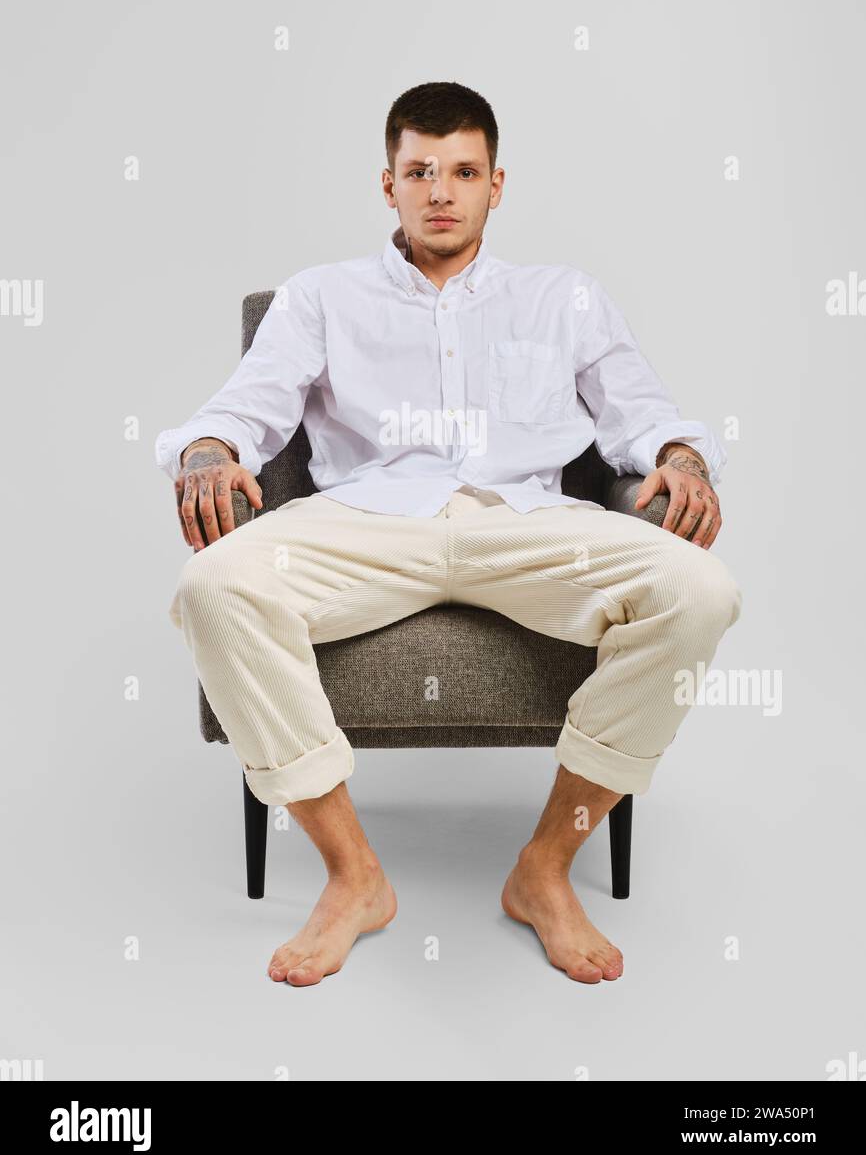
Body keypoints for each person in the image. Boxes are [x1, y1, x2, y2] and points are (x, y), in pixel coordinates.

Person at [155, 81, 742, 987]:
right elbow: (242, 412)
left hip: (529, 522)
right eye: (419, 171)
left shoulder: (564, 297)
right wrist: (206, 452)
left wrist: (682, 462)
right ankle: (354, 878)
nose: (441, 191)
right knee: (213, 588)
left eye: (463, 172)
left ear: (495, 185)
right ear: (386, 183)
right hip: (367, 519)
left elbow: (647, 417)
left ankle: (544, 868)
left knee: (701, 592)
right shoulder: (320, 297)